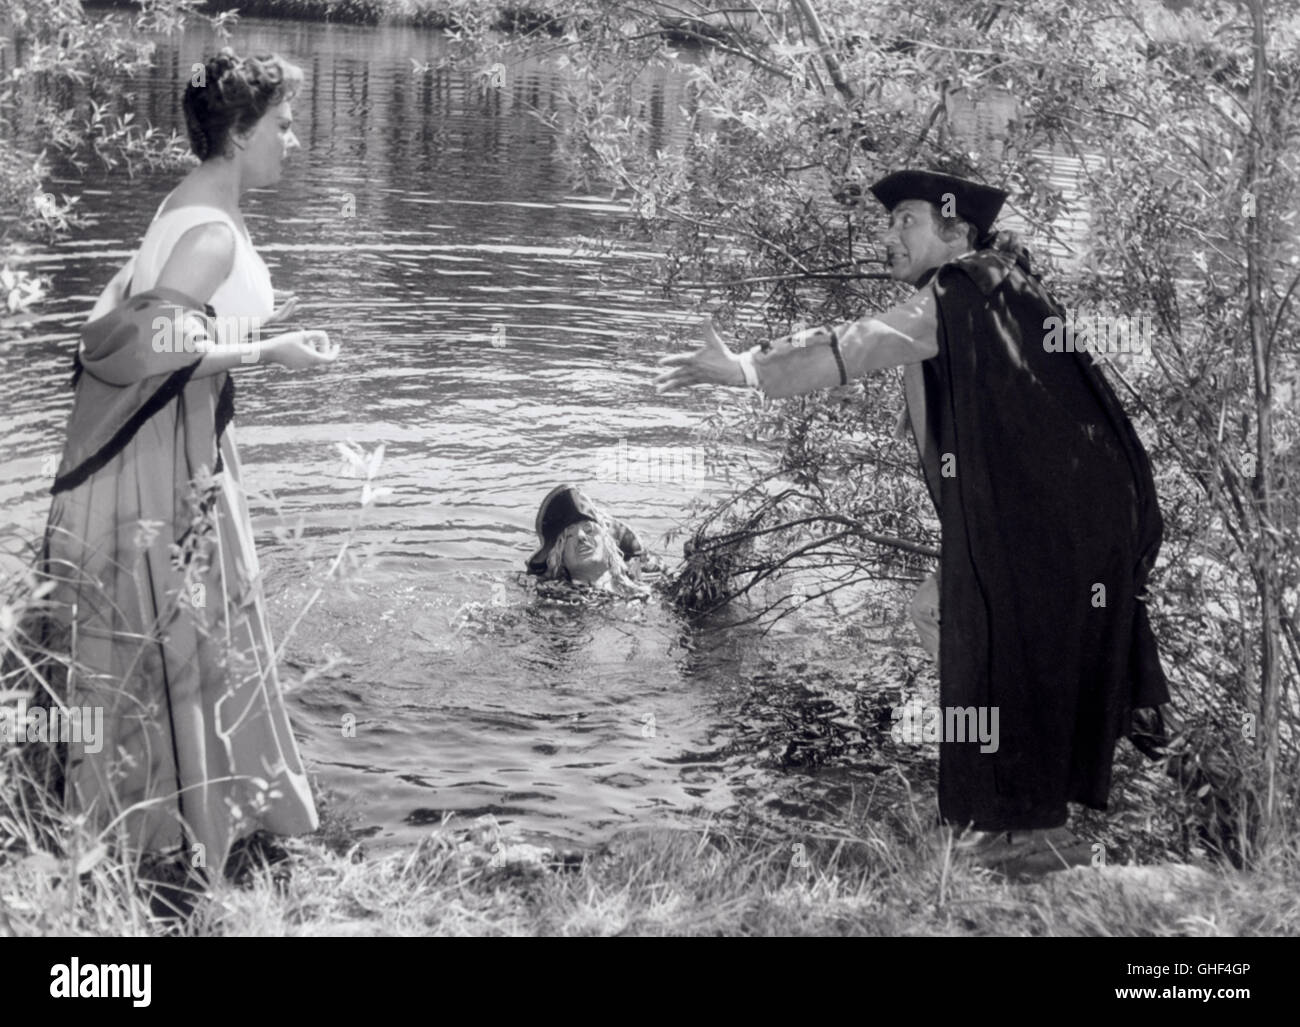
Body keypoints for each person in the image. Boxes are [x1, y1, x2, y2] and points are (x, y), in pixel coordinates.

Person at [656, 169, 1170, 858]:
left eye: (906, 220)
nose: (887, 234)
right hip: (1066, 519)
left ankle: (1035, 834)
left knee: (1004, 650)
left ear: (955, 230)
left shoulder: (965, 288)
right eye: (887, 221)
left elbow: (859, 344)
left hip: (1059, 528)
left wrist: (748, 369)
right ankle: (1013, 817)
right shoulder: (1000, 284)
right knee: (940, 614)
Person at [39, 48, 339, 884]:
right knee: (186, 634)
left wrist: (247, 348)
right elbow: (149, 344)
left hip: (176, 439)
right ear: (240, 133)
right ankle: (187, 839)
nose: (293, 139)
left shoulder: (189, 204)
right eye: (283, 125)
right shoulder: (207, 231)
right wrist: (271, 349)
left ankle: (170, 819)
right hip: (166, 456)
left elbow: (124, 316)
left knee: (174, 635)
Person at [525, 485, 652, 596]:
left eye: (589, 529)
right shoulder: (553, 601)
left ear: (609, 545)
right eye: (569, 537)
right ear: (561, 560)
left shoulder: (651, 584)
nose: (580, 536)